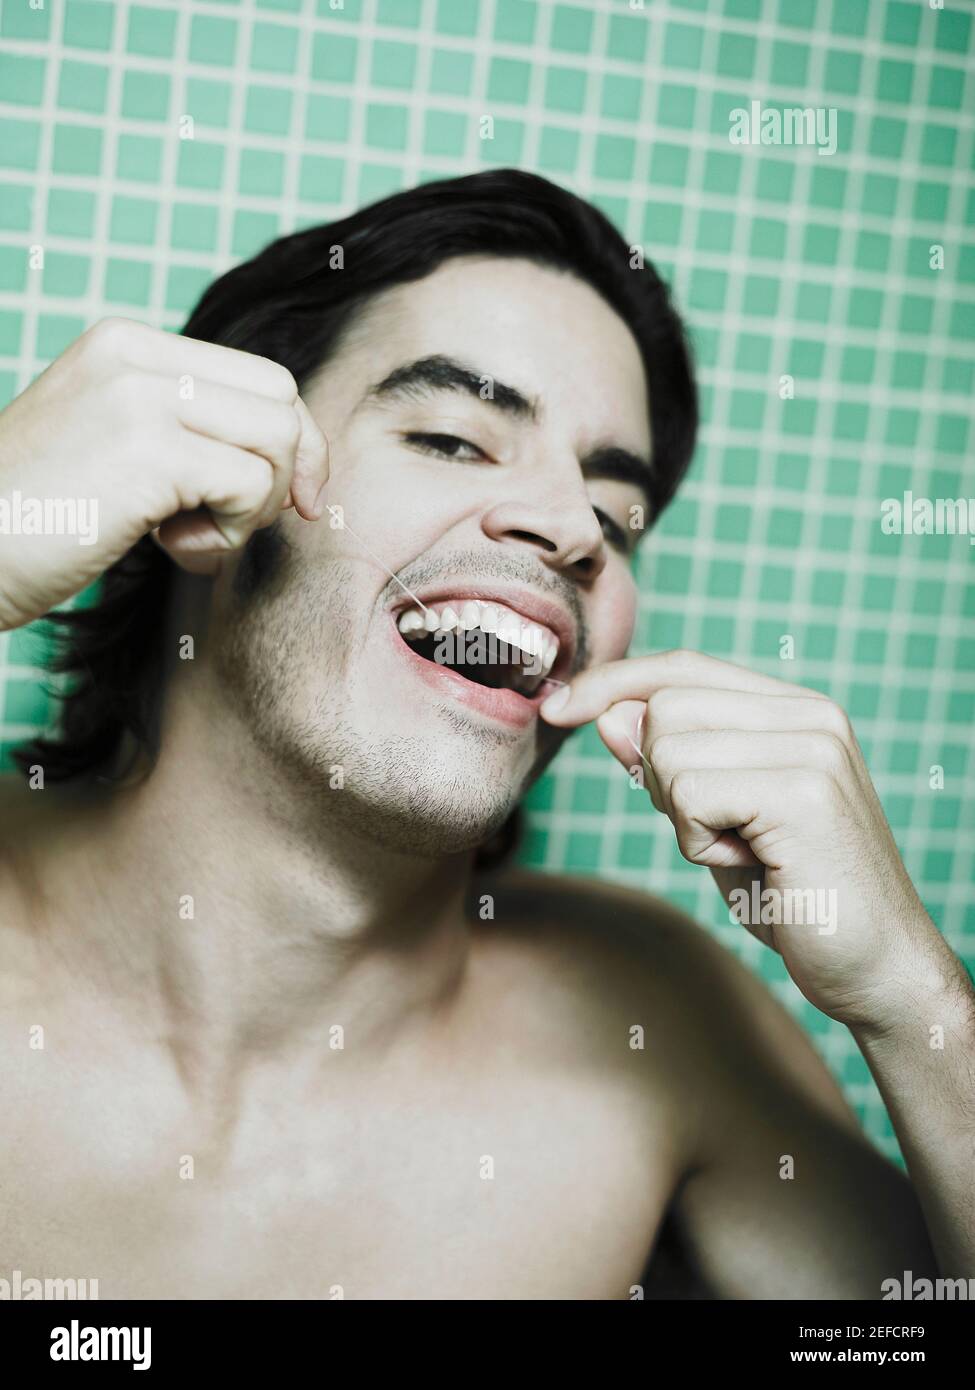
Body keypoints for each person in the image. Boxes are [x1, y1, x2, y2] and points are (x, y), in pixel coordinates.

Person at [0, 169, 970, 1300]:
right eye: (454, 438)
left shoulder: (658, 1016)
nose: (572, 530)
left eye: (617, 513)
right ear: (205, 496)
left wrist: (914, 999)